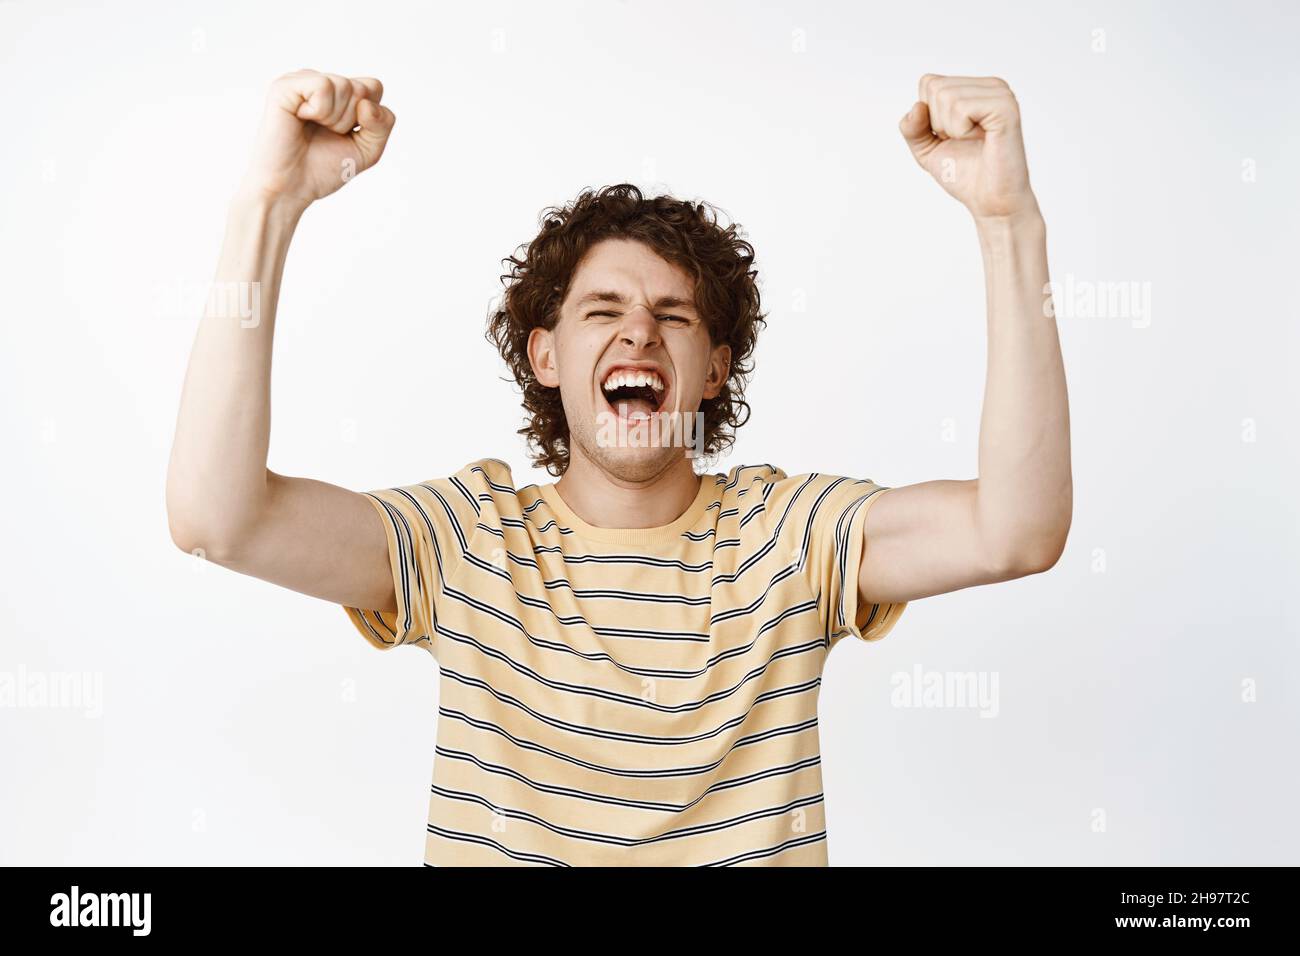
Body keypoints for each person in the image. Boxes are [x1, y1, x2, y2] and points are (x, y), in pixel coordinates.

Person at [166, 69, 1071, 866]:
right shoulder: (466, 540)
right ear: (547, 355)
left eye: (673, 315)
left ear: (714, 368)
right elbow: (216, 518)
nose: (639, 329)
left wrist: (1007, 220)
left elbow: (1017, 530)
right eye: (602, 310)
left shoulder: (789, 536)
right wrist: (268, 206)